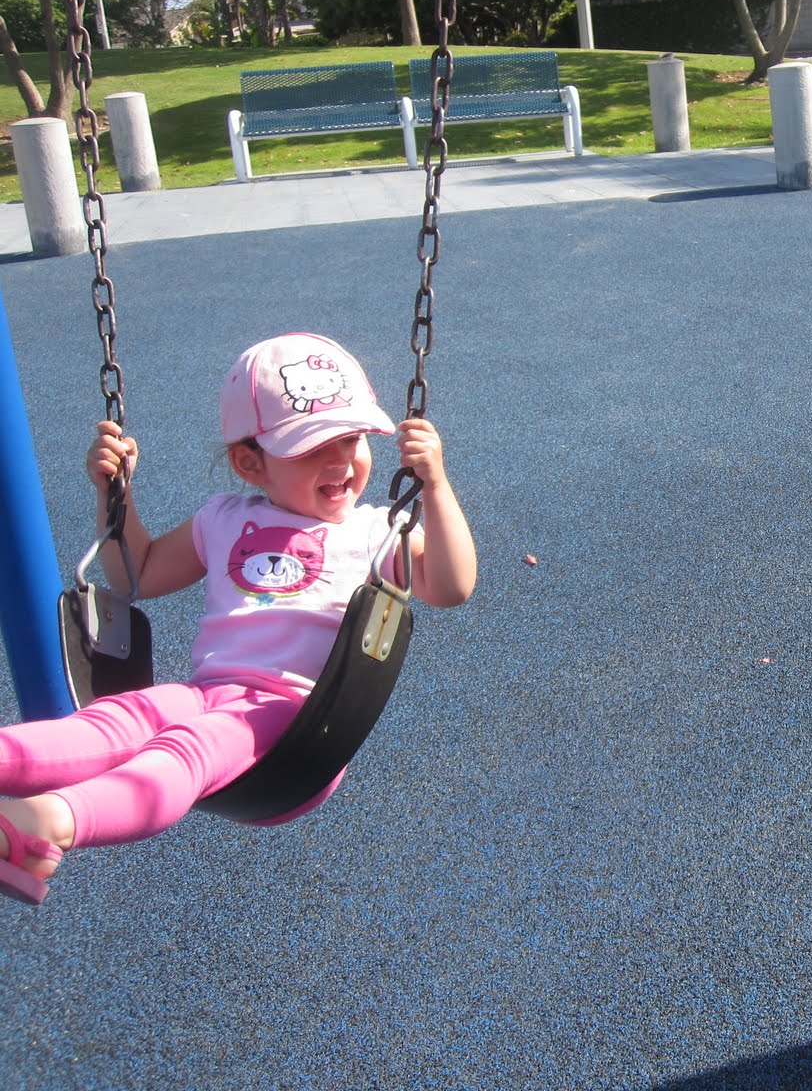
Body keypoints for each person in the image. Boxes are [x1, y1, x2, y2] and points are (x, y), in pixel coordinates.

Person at [0, 333, 478, 905]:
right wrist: (113, 495)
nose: (341, 461)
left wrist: (436, 485)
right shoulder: (223, 518)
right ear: (250, 463)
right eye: (310, 448)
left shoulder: (378, 530)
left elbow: (451, 587)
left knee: (185, 748)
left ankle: (48, 821)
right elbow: (138, 573)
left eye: (352, 438)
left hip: (295, 723)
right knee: (122, 717)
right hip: (208, 691)